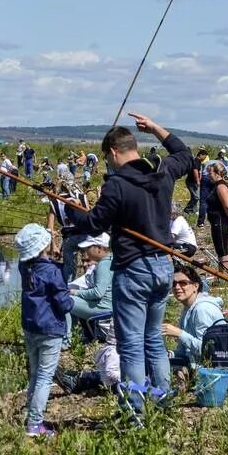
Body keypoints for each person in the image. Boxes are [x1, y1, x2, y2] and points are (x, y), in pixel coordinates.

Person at [62, 113, 194, 418]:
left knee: (132, 345)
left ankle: (137, 412)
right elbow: (185, 155)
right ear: (134, 145)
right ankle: (162, 403)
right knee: (154, 340)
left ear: (111, 153)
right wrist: (157, 128)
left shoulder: (116, 185)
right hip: (163, 265)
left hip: (133, 269)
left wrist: (72, 210)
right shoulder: (162, 171)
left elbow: (95, 223)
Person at [15, 223, 73, 437]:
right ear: (44, 245)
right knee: (45, 376)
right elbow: (64, 304)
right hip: (50, 329)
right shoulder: (52, 272)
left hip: (31, 327)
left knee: (35, 372)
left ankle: (30, 416)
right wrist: (71, 301)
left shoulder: (25, 268)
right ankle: (35, 423)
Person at [161, 263, 225, 379]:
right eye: (174, 284)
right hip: (197, 364)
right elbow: (185, 351)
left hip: (212, 370)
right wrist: (169, 354)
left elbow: (207, 350)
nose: (177, 287)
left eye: (183, 283)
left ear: (196, 286)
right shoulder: (188, 308)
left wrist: (179, 334)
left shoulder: (202, 310)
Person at [69, 232, 113, 323]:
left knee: (63, 300)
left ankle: (67, 335)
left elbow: (98, 293)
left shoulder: (103, 264)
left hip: (103, 308)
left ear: (100, 248)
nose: (86, 251)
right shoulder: (111, 260)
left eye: (89, 247)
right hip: (109, 306)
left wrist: (75, 292)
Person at [205, 163, 228, 271]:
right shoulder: (215, 185)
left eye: (210, 173)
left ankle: (224, 275)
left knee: (223, 249)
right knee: (219, 249)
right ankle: (221, 273)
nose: (208, 175)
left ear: (217, 173)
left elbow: (227, 206)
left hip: (220, 220)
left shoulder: (221, 186)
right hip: (215, 221)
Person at [195, 149, 211, 227]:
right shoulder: (210, 161)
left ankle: (201, 222)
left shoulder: (201, 161)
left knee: (203, 201)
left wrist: (198, 180)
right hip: (213, 178)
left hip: (205, 178)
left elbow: (197, 170)